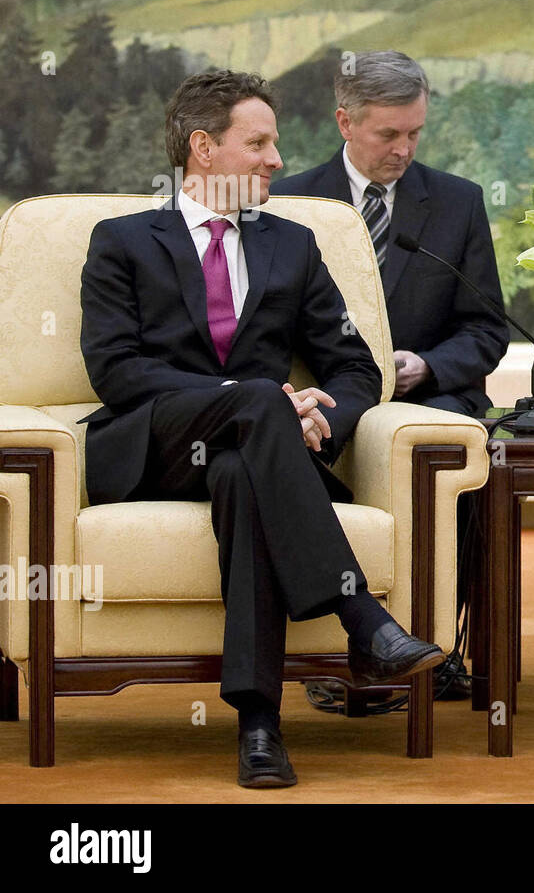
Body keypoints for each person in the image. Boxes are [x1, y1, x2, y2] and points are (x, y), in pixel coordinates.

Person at [79, 70, 447, 788]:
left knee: (243, 470)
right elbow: (116, 373)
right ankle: (362, 616)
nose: (277, 159)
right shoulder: (122, 241)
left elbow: (353, 367)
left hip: (254, 453)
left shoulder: (293, 245)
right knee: (255, 403)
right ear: (202, 149)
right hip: (153, 446)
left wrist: (317, 418)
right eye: (258, 143)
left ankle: (259, 727)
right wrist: (254, 398)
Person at [273, 50, 508, 702]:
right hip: (325, 395)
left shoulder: (458, 203)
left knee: (456, 446)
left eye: (415, 133)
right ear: (345, 122)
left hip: (429, 394)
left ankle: (441, 647)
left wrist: (426, 365)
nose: (403, 149)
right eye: (388, 134)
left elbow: (486, 329)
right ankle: (334, 655)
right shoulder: (289, 202)